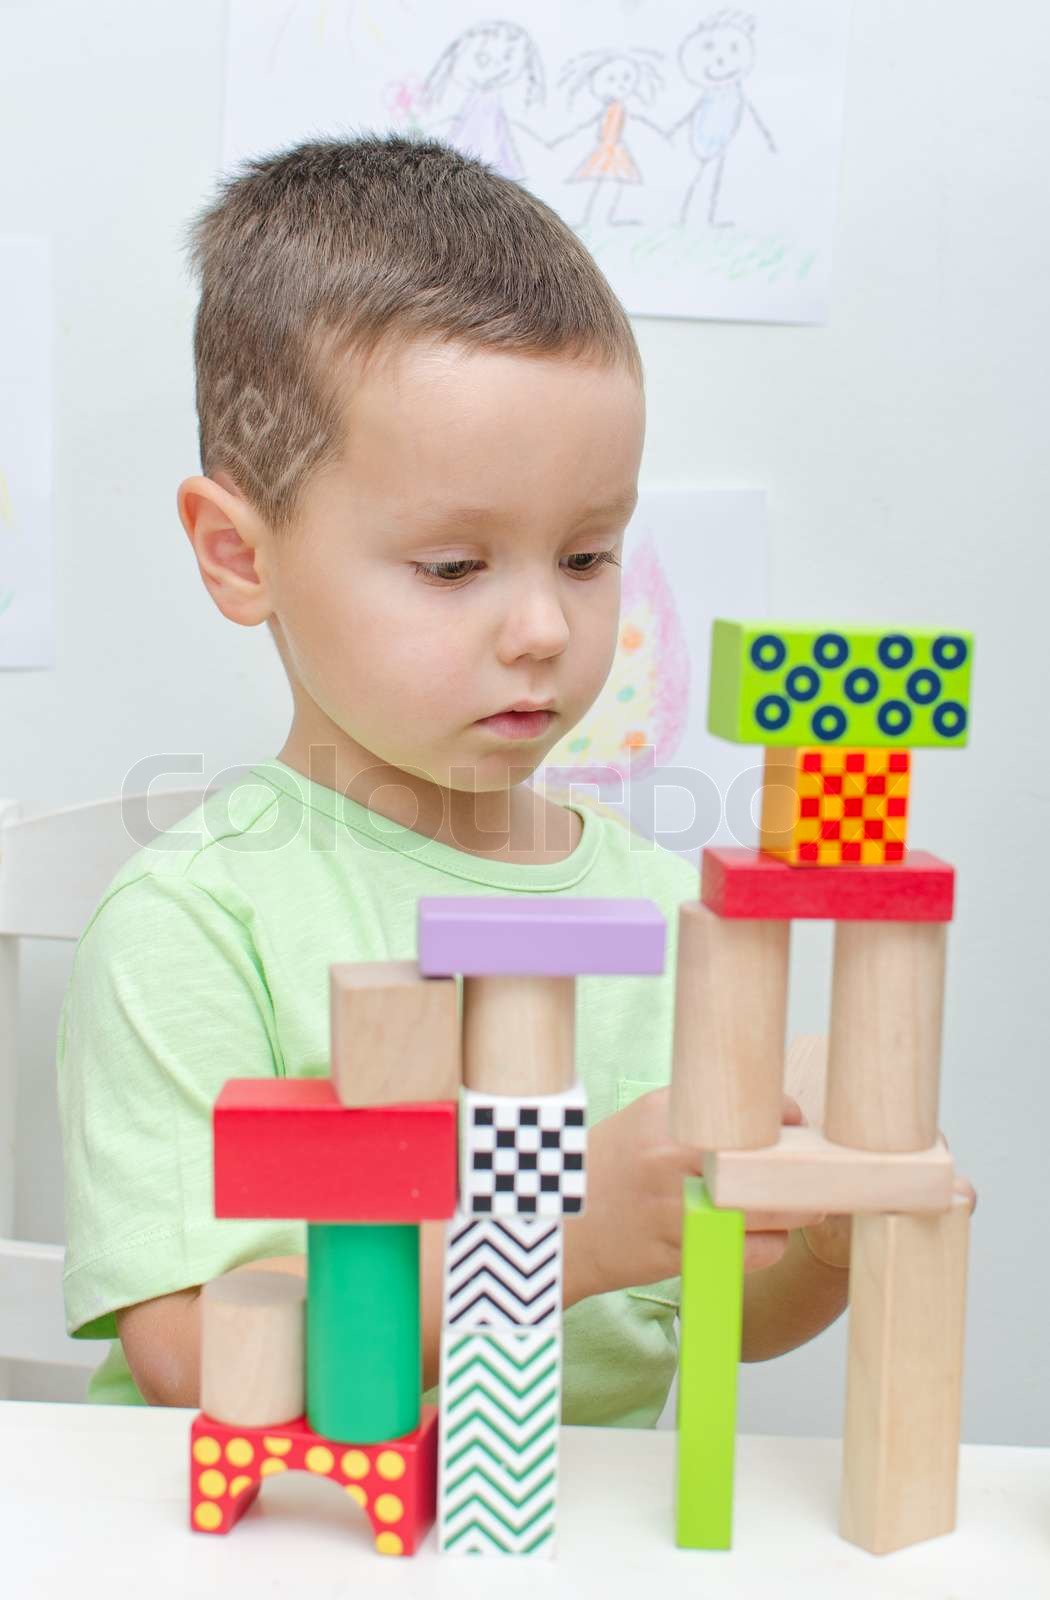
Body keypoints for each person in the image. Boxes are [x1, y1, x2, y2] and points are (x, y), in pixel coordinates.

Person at [56, 133, 882, 1425]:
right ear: (237, 553)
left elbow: (718, 1318)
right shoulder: (197, 921)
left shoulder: (666, 912)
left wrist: (829, 1229)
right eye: (454, 566)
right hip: (262, 1535)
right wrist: (572, 1225)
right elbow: (193, 1356)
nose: (543, 629)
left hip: (553, 1538)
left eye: (587, 555)